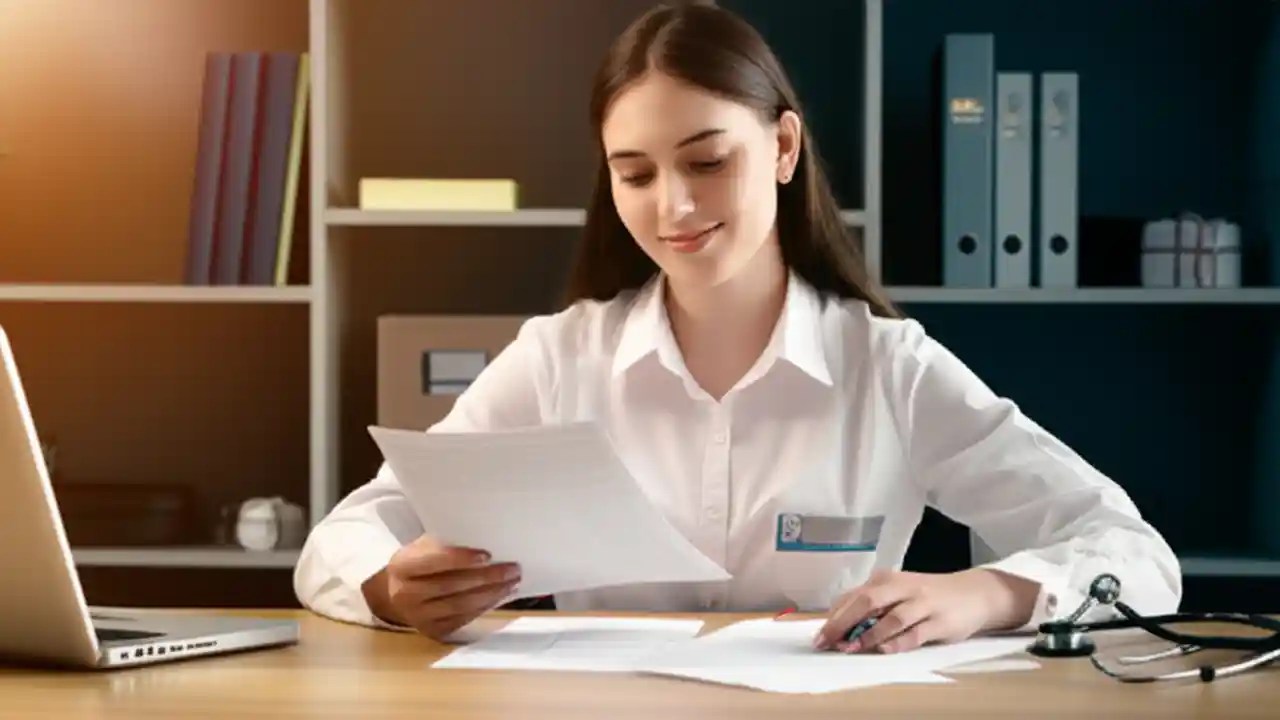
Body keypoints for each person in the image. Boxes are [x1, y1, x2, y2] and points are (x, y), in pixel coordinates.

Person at [294, 2, 1181, 654]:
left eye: (708, 161)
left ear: (784, 149)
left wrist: (987, 593)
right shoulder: (559, 359)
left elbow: (1135, 555)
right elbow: (340, 538)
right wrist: (388, 586)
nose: (673, 205)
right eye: (634, 174)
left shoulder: (886, 367)